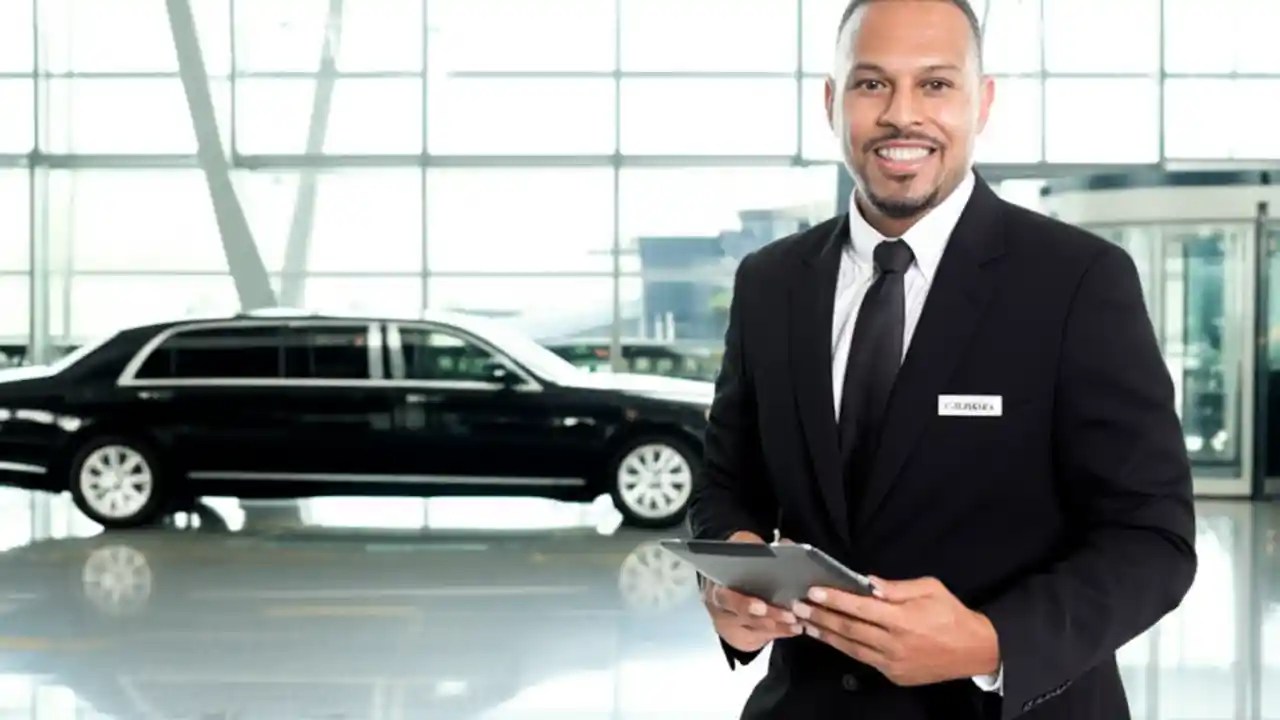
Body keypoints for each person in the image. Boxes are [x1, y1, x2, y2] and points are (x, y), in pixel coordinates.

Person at [687, 0, 1198, 718]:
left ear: (980, 102)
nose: (902, 115)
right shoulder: (772, 282)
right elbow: (727, 483)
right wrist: (731, 571)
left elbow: (1152, 539)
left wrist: (992, 642)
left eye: (935, 84)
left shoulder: (1076, 281)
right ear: (833, 103)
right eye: (871, 84)